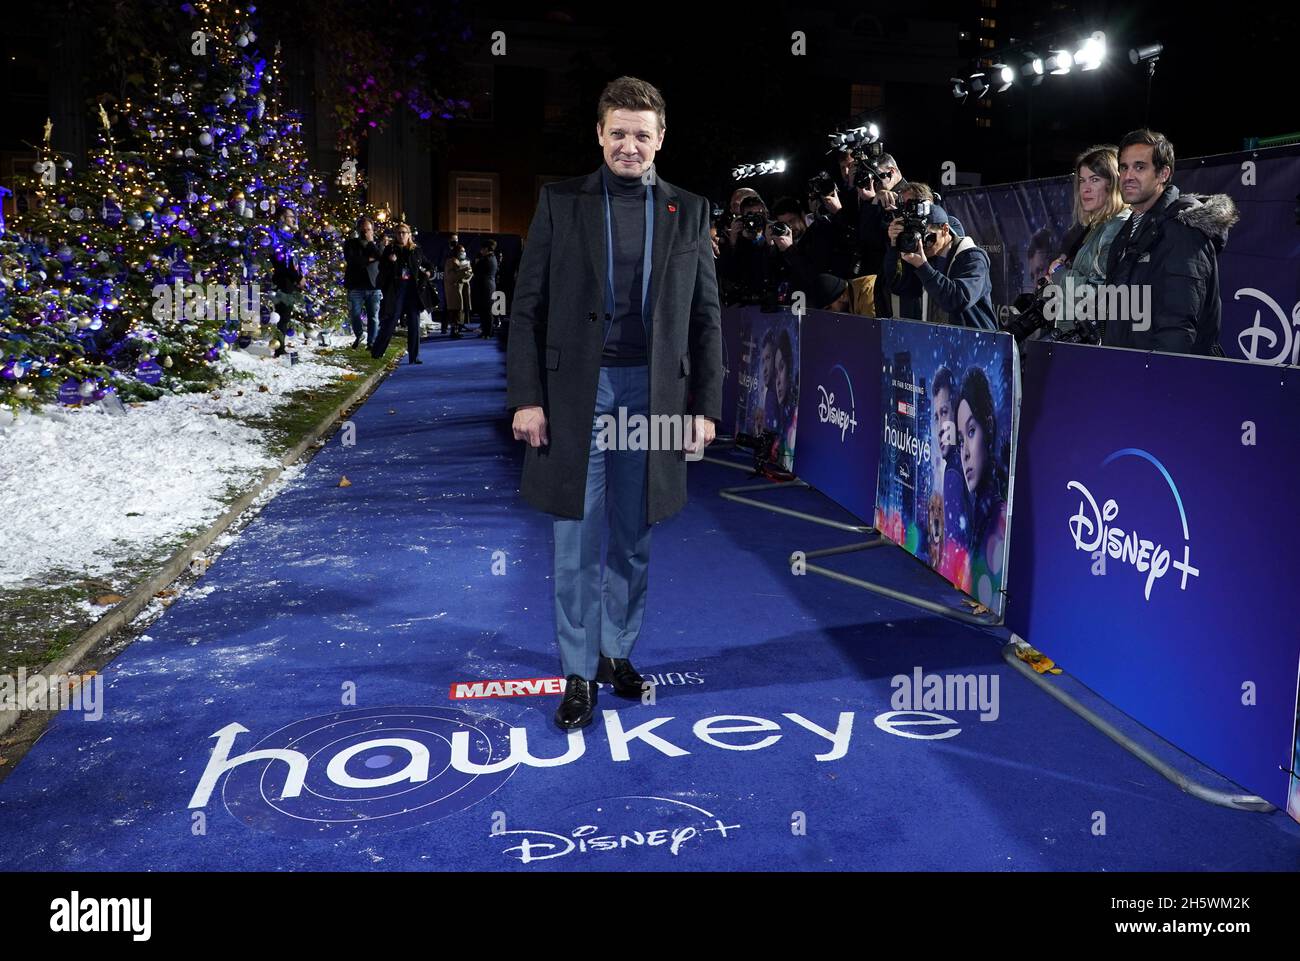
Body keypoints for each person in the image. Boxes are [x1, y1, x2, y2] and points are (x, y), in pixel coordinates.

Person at [505, 75, 722, 730]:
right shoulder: (560, 202)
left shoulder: (692, 209)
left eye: (642, 135)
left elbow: (706, 318)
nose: (630, 145)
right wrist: (527, 398)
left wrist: (704, 406)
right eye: (618, 132)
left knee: (634, 533)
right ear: (600, 134)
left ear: (661, 140)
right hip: (578, 392)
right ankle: (577, 672)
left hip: (651, 394)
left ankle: (614, 651)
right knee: (575, 534)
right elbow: (526, 309)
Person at [1102, 128, 1239, 355]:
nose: (1128, 176)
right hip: (1125, 371)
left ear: (1163, 174)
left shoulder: (1182, 229)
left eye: (1140, 167)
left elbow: (1178, 326)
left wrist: (1155, 380)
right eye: (1124, 167)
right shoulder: (1127, 232)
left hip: (1159, 378)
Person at [1037, 145, 1130, 338]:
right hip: (1081, 337)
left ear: (1113, 183)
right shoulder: (1098, 226)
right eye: (1082, 180)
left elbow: (1099, 295)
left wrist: (1060, 275)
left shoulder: (1117, 227)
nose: (1085, 188)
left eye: (1095, 179)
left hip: (1098, 344)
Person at [883, 204, 996, 329]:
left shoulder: (973, 258)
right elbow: (901, 288)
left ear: (945, 229)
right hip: (938, 340)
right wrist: (895, 247)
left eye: (929, 238)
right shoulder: (926, 256)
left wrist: (923, 267)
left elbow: (956, 299)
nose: (924, 244)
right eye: (920, 238)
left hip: (977, 341)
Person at [956, 366, 1008, 606]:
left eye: (971, 431)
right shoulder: (976, 511)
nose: (964, 452)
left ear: (988, 427)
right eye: (960, 439)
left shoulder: (998, 514)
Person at [371, 221, 435, 363]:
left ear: (409, 235)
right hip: (396, 289)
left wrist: (429, 272)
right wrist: (390, 261)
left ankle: (414, 356)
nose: (401, 235)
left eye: (403, 232)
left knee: (414, 324)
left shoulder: (416, 250)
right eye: (398, 233)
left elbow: (428, 264)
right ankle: (377, 352)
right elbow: (382, 268)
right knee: (390, 321)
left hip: (412, 290)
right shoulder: (390, 249)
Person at [343, 215, 384, 350]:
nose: (366, 232)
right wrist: (369, 259)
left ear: (373, 230)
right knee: (354, 315)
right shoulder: (350, 244)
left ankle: (371, 343)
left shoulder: (377, 245)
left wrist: (371, 243)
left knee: (374, 317)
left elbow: (380, 258)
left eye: (369, 229)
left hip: (373, 286)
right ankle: (359, 334)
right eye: (364, 230)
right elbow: (353, 261)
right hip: (355, 286)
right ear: (358, 230)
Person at [270, 207, 305, 358]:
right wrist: (298, 278)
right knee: (282, 316)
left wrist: (300, 276)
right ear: (282, 218)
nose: (293, 220)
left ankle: (281, 346)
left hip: (290, 281)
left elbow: (295, 260)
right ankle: (279, 349)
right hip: (282, 281)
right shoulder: (278, 237)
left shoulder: (290, 238)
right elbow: (284, 263)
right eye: (291, 217)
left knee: (285, 316)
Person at [443, 243, 473, 338]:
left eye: (464, 251)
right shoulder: (450, 261)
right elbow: (451, 277)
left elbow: (470, 274)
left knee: (460, 310)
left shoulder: (465, 261)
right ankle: (453, 330)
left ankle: (458, 328)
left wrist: (465, 276)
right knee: (454, 310)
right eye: (461, 251)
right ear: (456, 252)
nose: (463, 253)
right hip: (453, 289)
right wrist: (464, 272)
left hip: (462, 288)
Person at [473, 239, 499, 338]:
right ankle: (487, 331)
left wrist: (476, 263)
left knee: (486, 311)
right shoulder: (493, 258)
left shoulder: (486, 260)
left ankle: (488, 332)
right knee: (486, 311)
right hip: (489, 286)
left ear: (487, 249)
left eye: (483, 249)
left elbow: (476, 271)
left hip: (485, 288)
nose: (481, 251)